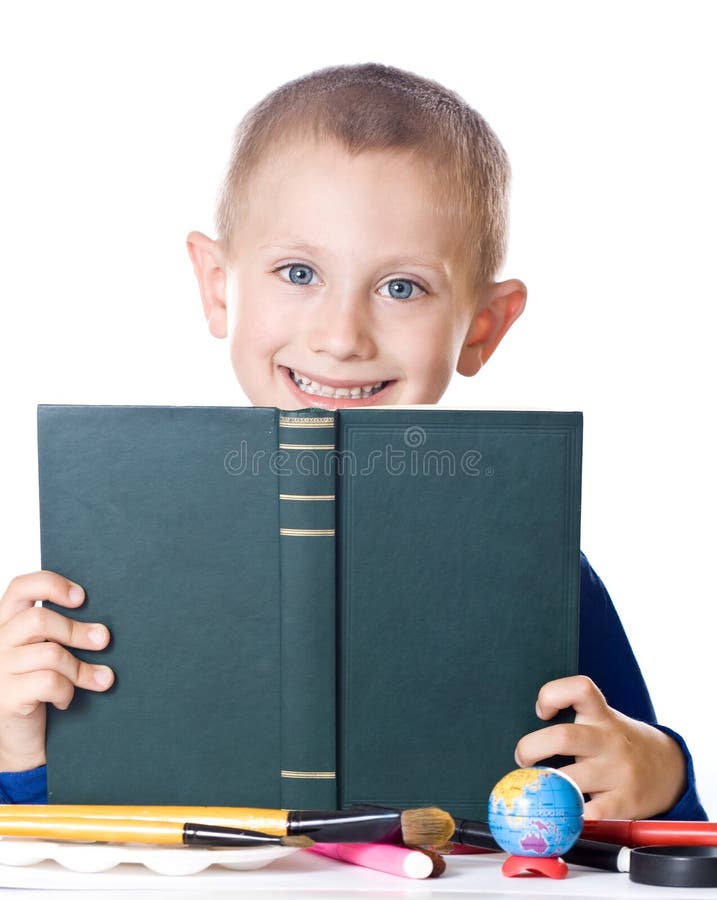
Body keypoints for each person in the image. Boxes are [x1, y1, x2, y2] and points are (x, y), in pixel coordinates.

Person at [0, 63, 706, 820]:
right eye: (298, 271)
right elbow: (60, 851)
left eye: (402, 287)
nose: (341, 337)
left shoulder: (539, 574)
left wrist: (660, 774)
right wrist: (19, 753)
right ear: (217, 284)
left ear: (482, 327)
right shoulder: (112, 556)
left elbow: (658, 836)